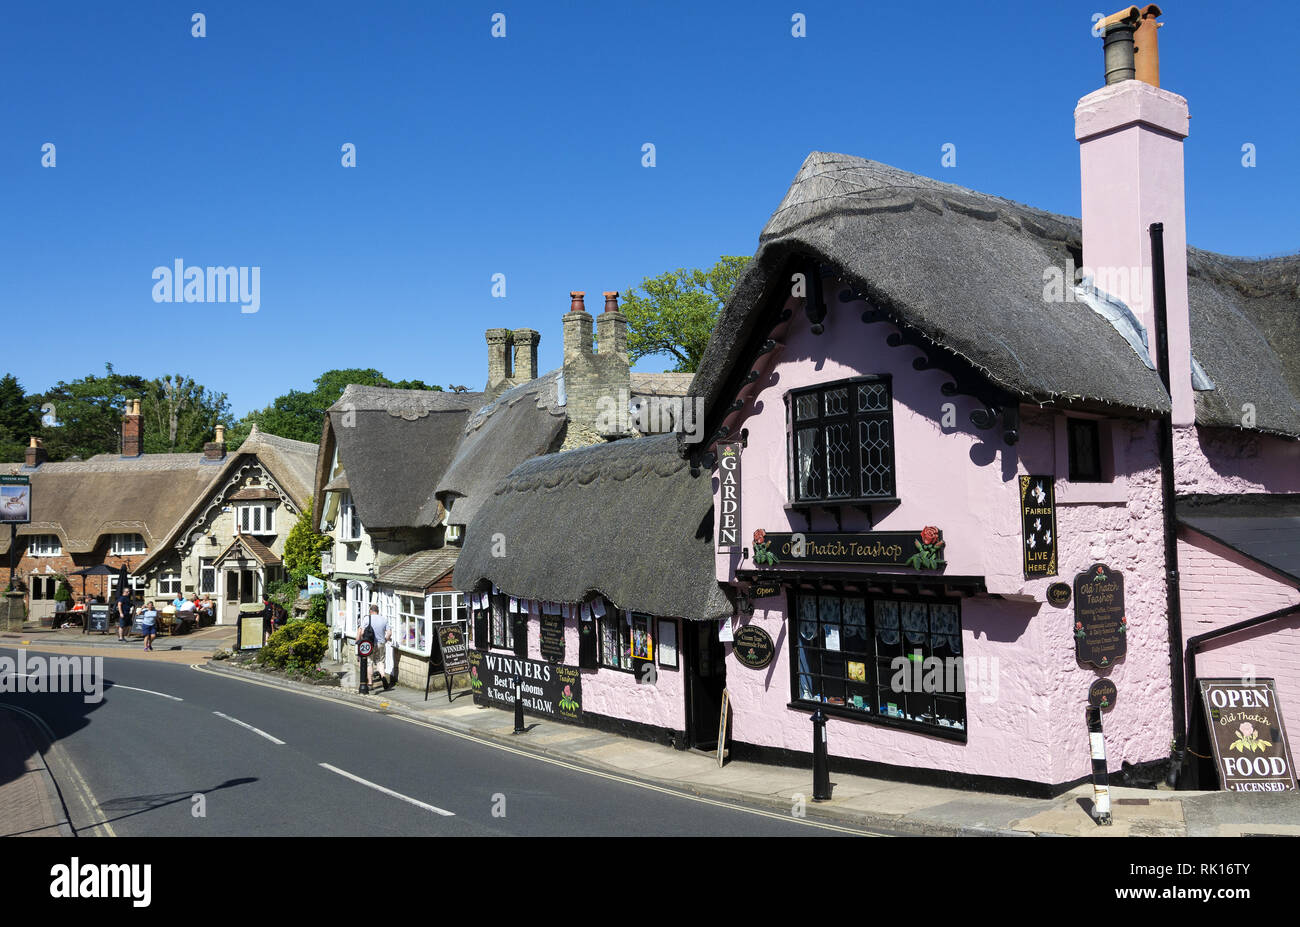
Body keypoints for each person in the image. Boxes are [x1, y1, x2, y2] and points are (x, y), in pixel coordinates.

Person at [355, 604, 390, 690]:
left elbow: (361, 632)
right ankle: (383, 676)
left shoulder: (367, 619)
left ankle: (370, 683)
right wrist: (385, 640)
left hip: (369, 644)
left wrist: (358, 642)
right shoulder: (384, 619)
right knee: (380, 661)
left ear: (370, 611)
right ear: (378, 611)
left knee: (369, 662)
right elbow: (389, 633)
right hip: (381, 644)